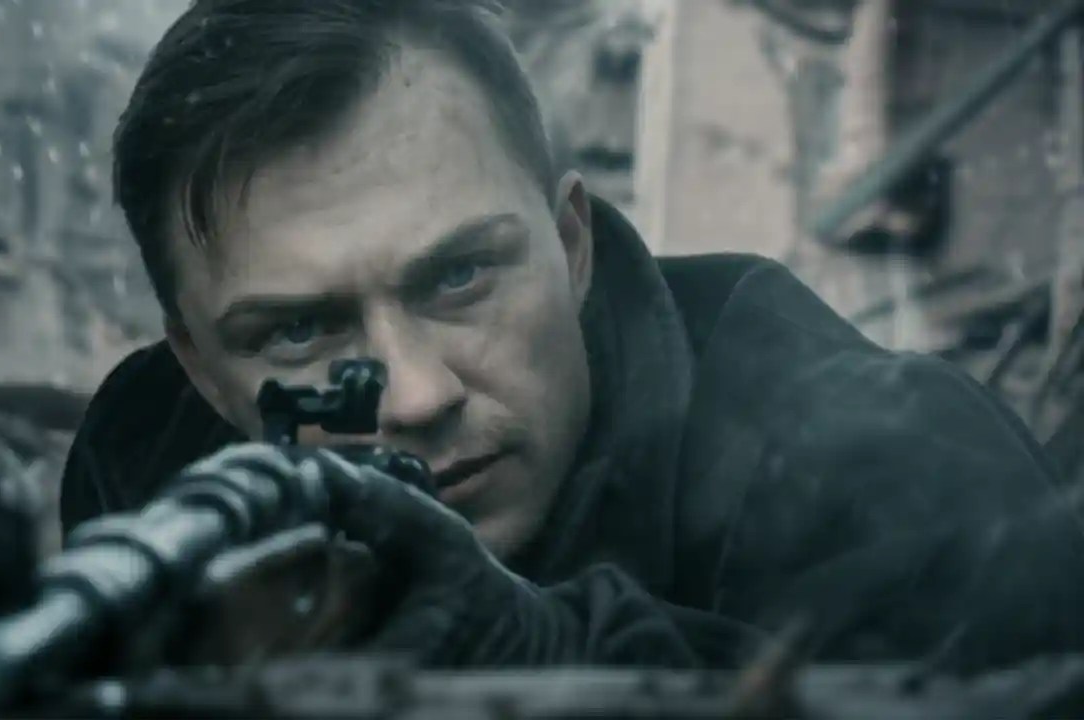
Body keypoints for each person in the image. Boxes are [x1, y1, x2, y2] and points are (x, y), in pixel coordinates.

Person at [61, 0, 1084, 670]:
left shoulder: (881, 466)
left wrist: (552, 653)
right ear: (197, 366)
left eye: (459, 276)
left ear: (570, 242)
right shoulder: (150, 462)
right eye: (295, 332)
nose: (415, 396)